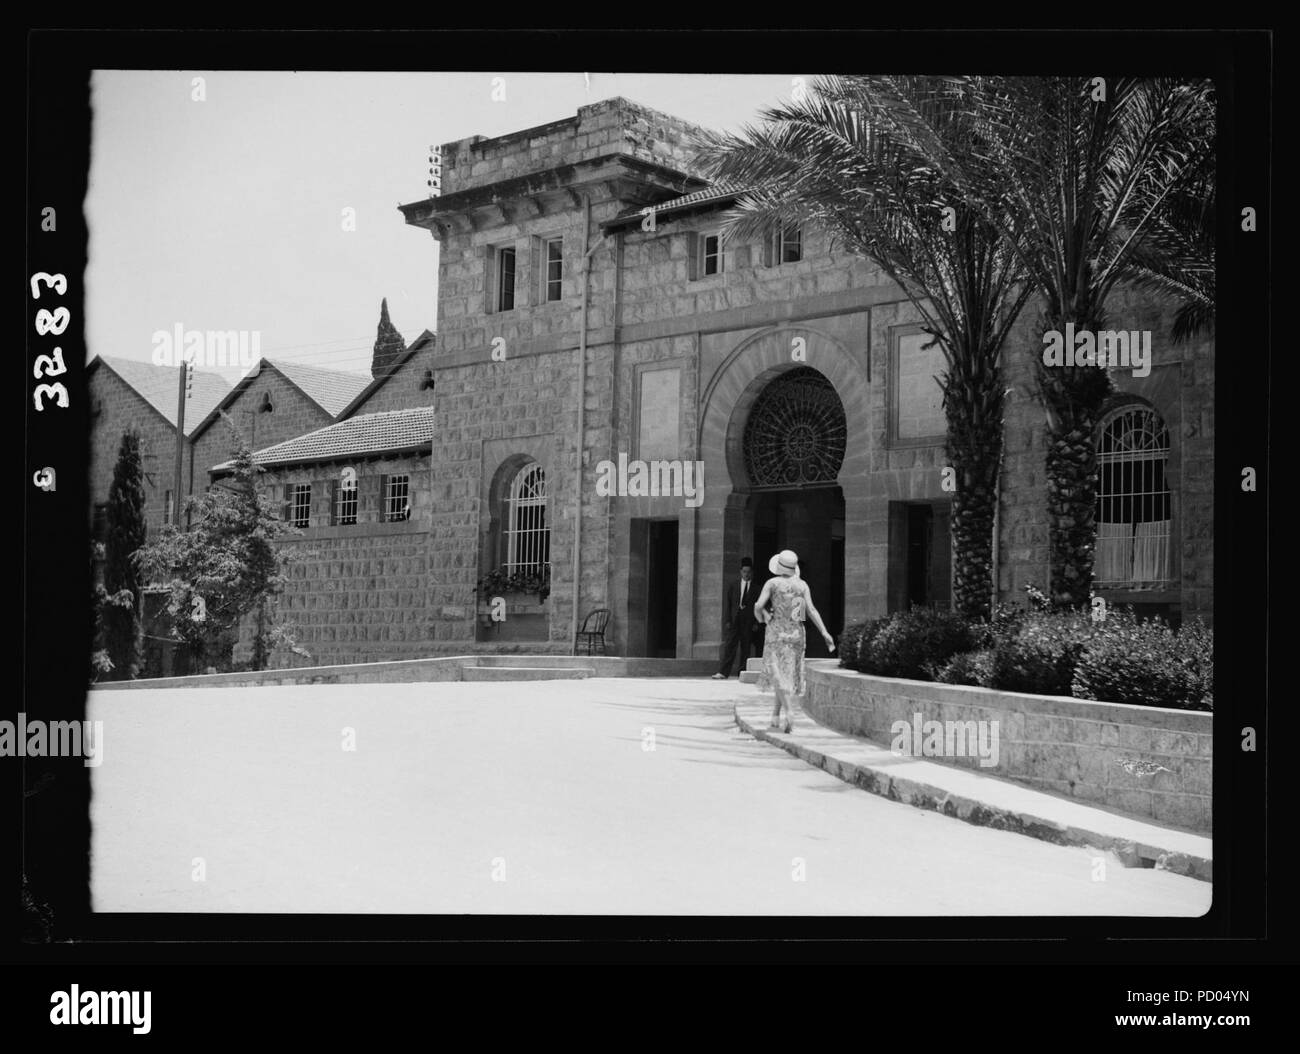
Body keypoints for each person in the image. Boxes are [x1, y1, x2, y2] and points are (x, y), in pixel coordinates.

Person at [753, 549, 835, 733]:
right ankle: (775, 715)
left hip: (776, 633)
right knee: (786, 675)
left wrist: (762, 616)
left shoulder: (772, 583)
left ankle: (790, 712)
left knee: (777, 674)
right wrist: (824, 632)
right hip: (796, 633)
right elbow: (808, 611)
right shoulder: (802, 585)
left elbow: (758, 605)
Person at [712, 557, 761, 679]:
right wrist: (727, 620)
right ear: (740, 571)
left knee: (746, 647)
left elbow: (759, 606)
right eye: (744, 571)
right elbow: (728, 604)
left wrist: (757, 622)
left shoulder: (756, 588)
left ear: (752, 572)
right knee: (730, 645)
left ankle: (742, 672)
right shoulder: (734, 585)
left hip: (749, 621)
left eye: (748, 572)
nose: (746, 574)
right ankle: (723, 672)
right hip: (735, 619)